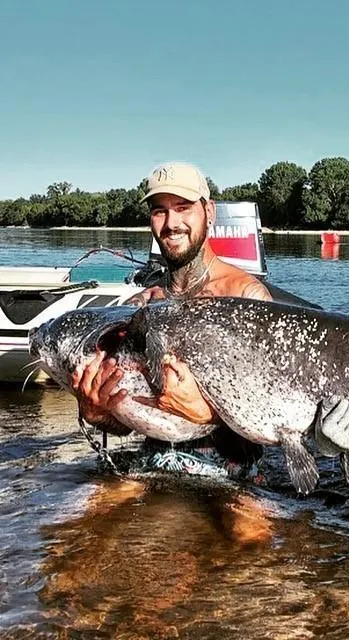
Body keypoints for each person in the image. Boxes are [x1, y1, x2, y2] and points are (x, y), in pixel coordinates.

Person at [72, 161, 272, 484]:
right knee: (77, 526)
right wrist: (98, 413)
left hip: (235, 475)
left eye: (183, 208)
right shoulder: (140, 307)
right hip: (155, 464)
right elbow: (129, 418)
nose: (171, 223)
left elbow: (273, 411)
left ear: (209, 212)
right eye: (159, 211)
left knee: (250, 536)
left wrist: (208, 414)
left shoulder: (245, 295)